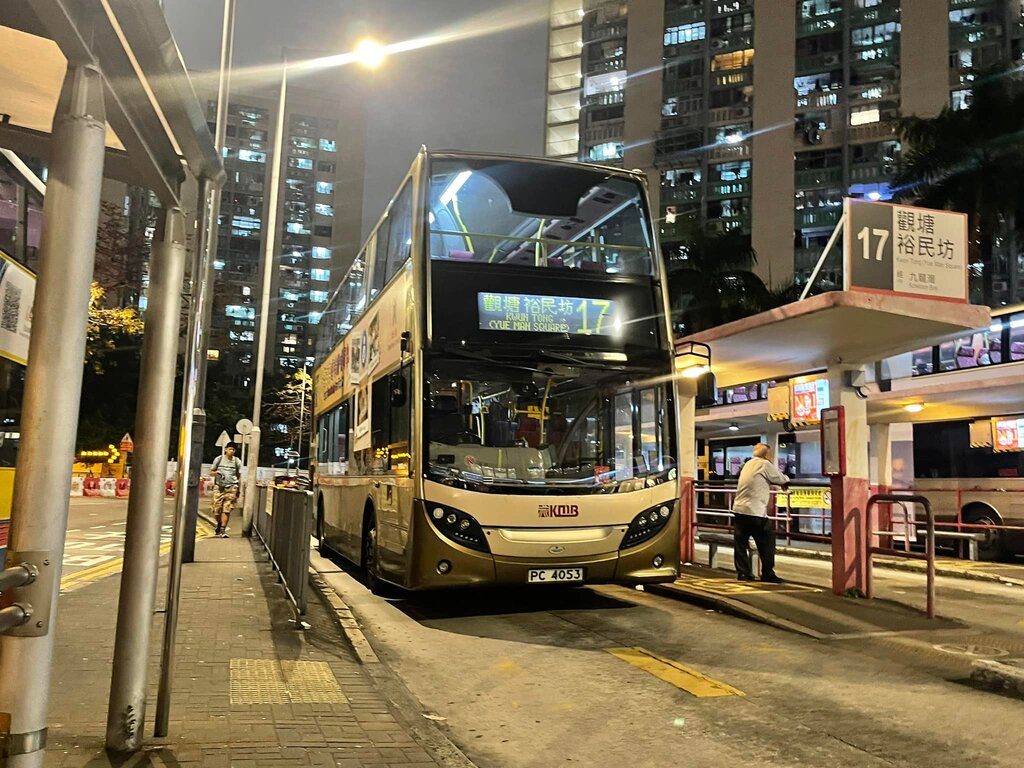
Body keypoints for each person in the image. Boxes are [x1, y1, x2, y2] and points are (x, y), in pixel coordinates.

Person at [732, 443, 789, 583]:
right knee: (767, 541)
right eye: (770, 454)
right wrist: (786, 481)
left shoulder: (747, 464)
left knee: (740, 542)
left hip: (739, 509)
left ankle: (743, 573)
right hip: (755, 511)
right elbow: (781, 478)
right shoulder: (764, 464)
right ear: (766, 455)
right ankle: (767, 573)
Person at [210, 444, 243, 538]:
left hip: (231, 487)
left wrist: (238, 490)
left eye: (233, 449)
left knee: (227, 509)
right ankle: (219, 523)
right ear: (225, 450)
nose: (231, 451)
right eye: (230, 449)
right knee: (216, 510)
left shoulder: (237, 461)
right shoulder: (219, 459)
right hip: (219, 487)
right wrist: (217, 473)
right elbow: (211, 472)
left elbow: (239, 475)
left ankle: (223, 530)